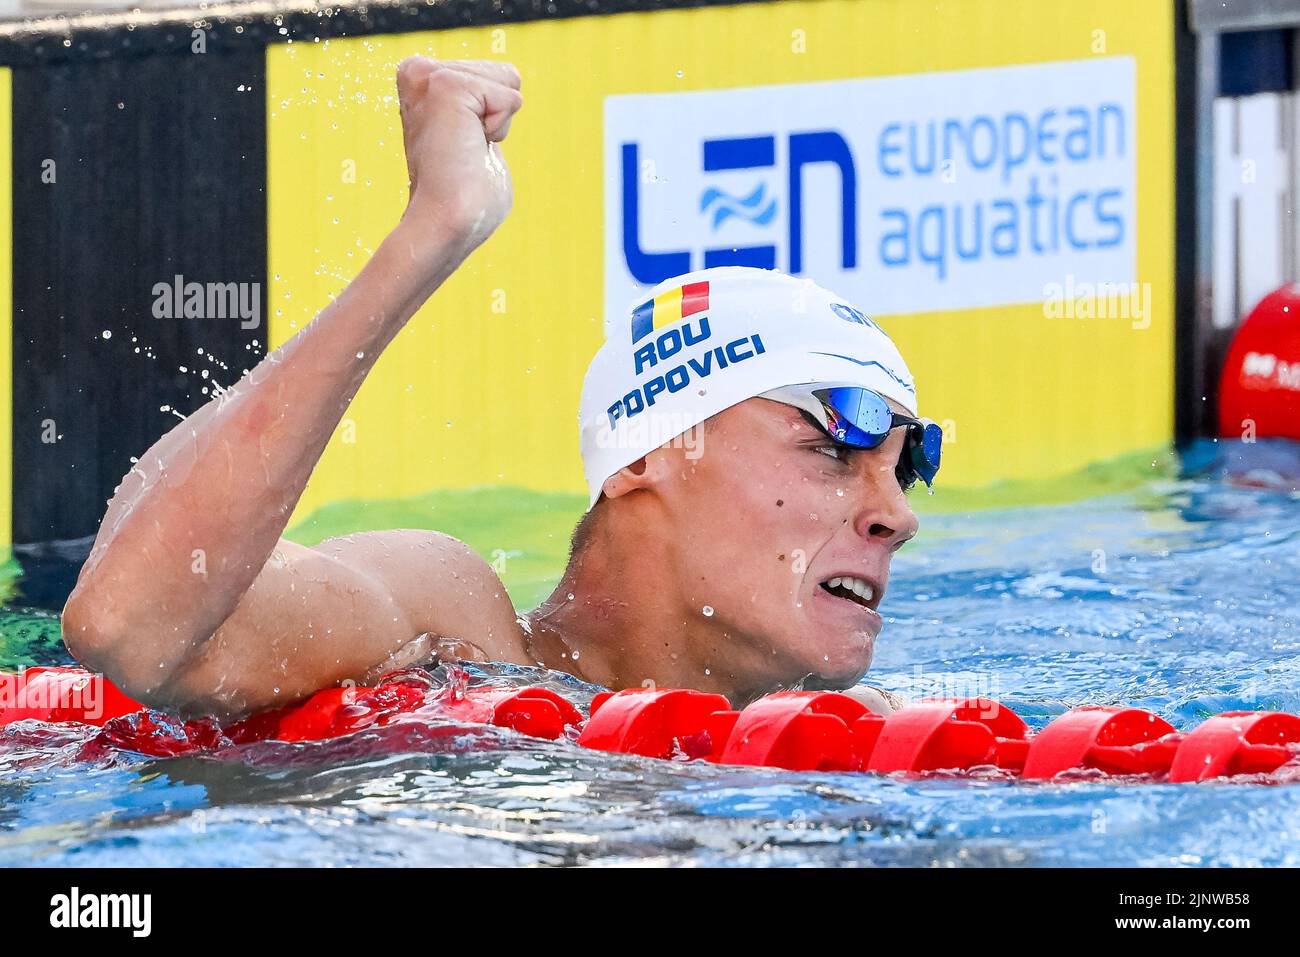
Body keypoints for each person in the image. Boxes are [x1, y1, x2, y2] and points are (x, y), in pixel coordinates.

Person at [60, 55, 940, 721]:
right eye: (833, 448)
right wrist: (431, 233)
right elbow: (128, 622)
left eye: (905, 470)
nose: (895, 516)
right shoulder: (452, 630)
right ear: (653, 450)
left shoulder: (856, 748)